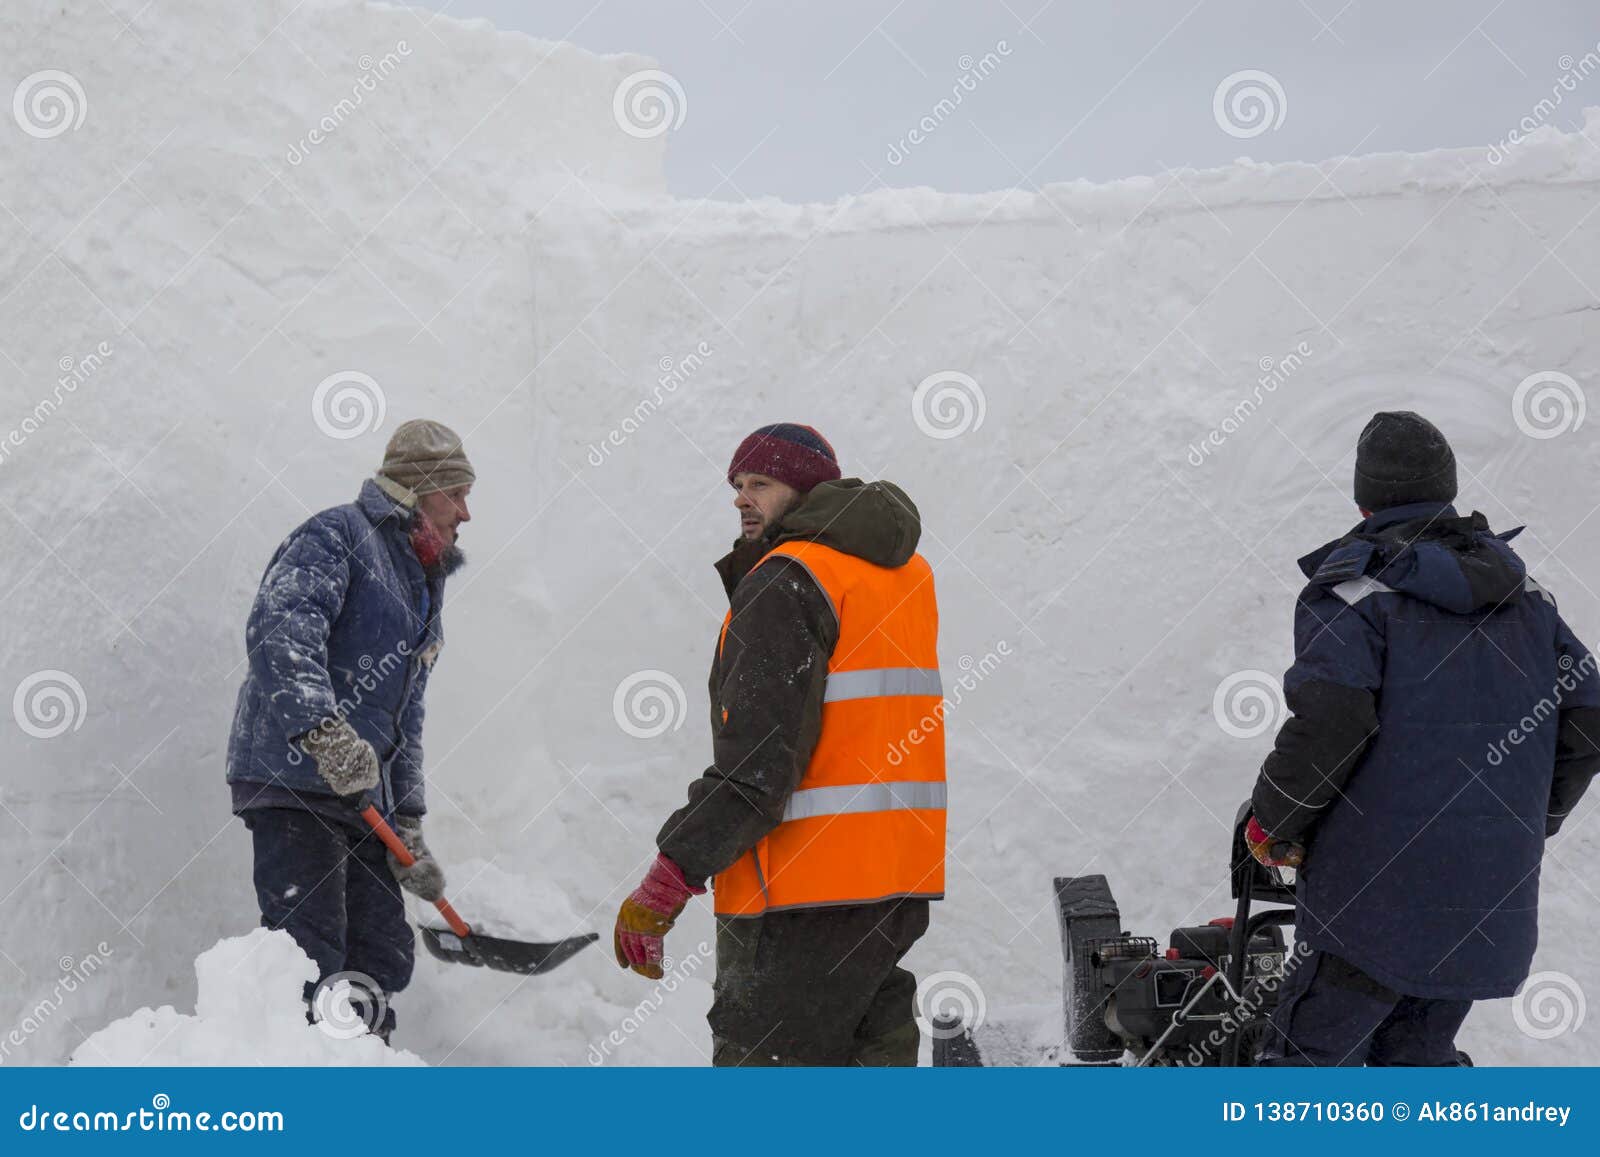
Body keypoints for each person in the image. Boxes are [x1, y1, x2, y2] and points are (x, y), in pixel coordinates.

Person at [1248, 410, 1600, 1066]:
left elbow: (1332, 722)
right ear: (1448, 491)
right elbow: (1589, 716)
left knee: (1300, 1068)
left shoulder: (1353, 593)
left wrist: (1273, 819)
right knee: (1413, 1067)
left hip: (1372, 909)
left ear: (1364, 499)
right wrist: (1527, 815)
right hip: (1483, 902)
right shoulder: (1524, 600)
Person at [612, 422, 946, 1066]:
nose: (741, 498)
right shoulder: (901, 575)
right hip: (892, 890)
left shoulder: (787, 579)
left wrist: (671, 875)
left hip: (797, 900)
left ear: (806, 489)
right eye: (737, 485)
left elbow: (760, 765)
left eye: (760, 484)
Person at [226, 419, 473, 1040]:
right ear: (418, 492)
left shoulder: (420, 579)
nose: (466, 513)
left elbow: (405, 715)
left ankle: (369, 1078)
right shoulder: (337, 537)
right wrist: (326, 735)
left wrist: (408, 821)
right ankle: (312, 1100)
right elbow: (280, 633)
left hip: (361, 796)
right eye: (457, 494)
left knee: (384, 950)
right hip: (296, 780)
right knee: (311, 958)